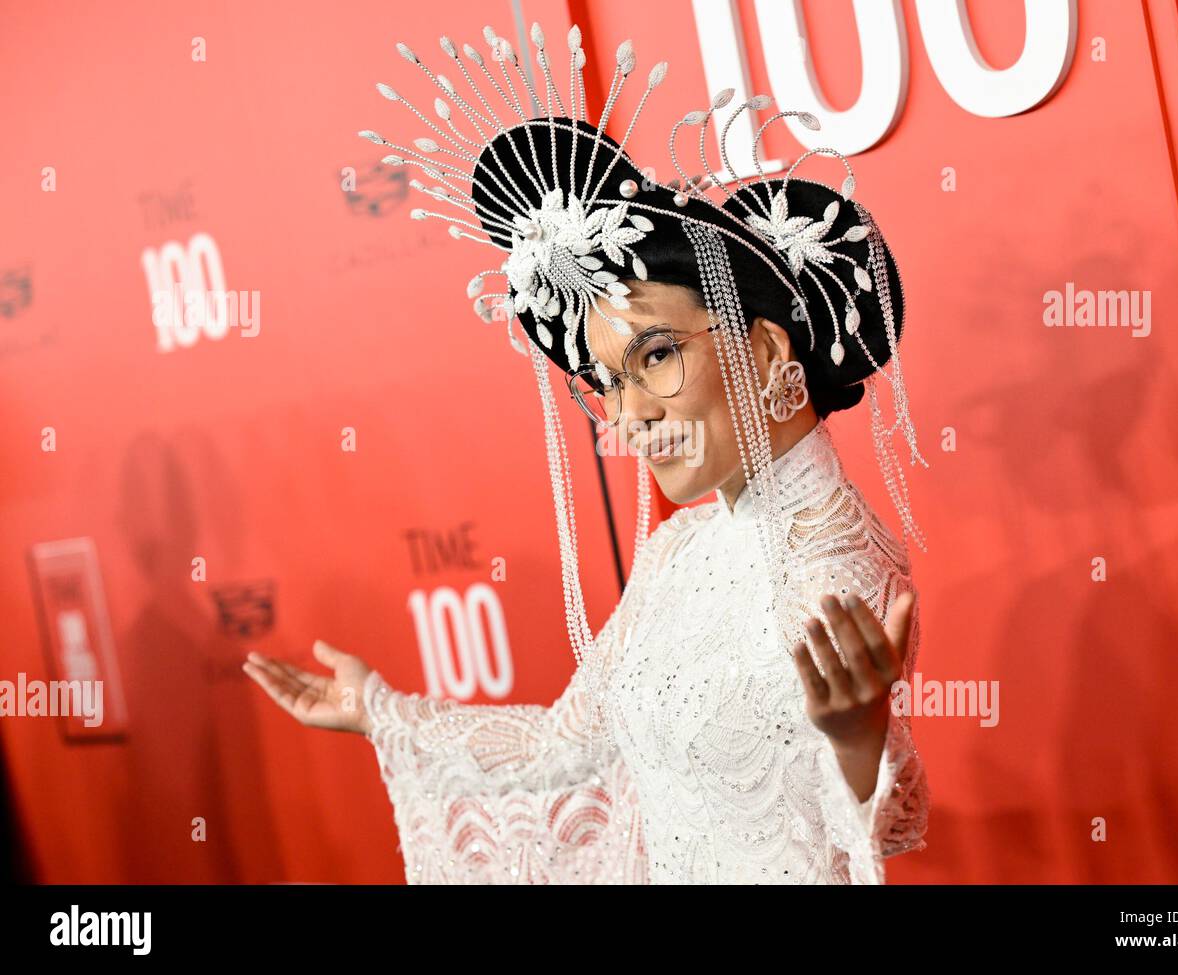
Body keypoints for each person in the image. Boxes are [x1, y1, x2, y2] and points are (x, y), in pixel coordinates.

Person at [244, 22, 930, 884]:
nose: (628, 415)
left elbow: (878, 824)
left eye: (654, 357)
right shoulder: (680, 548)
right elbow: (567, 744)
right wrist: (384, 714)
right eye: (606, 380)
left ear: (762, 352)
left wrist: (861, 740)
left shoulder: (838, 562)